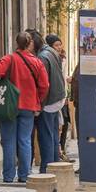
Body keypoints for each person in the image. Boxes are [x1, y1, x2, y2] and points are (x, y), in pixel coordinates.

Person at [0, 33, 49, 184]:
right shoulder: (36, 62)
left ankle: (8, 176)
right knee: (24, 140)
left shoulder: (9, 58)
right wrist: (38, 100)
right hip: (28, 105)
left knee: (8, 141)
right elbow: (44, 85)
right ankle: (24, 175)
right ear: (30, 44)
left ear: (16, 43)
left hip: (9, 105)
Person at [36, 34, 66, 173]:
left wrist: (40, 103)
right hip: (57, 99)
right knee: (53, 135)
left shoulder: (43, 56)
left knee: (47, 136)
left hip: (48, 102)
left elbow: (44, 83)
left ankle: (47, 169)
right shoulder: (52, 53)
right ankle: (55, 167)